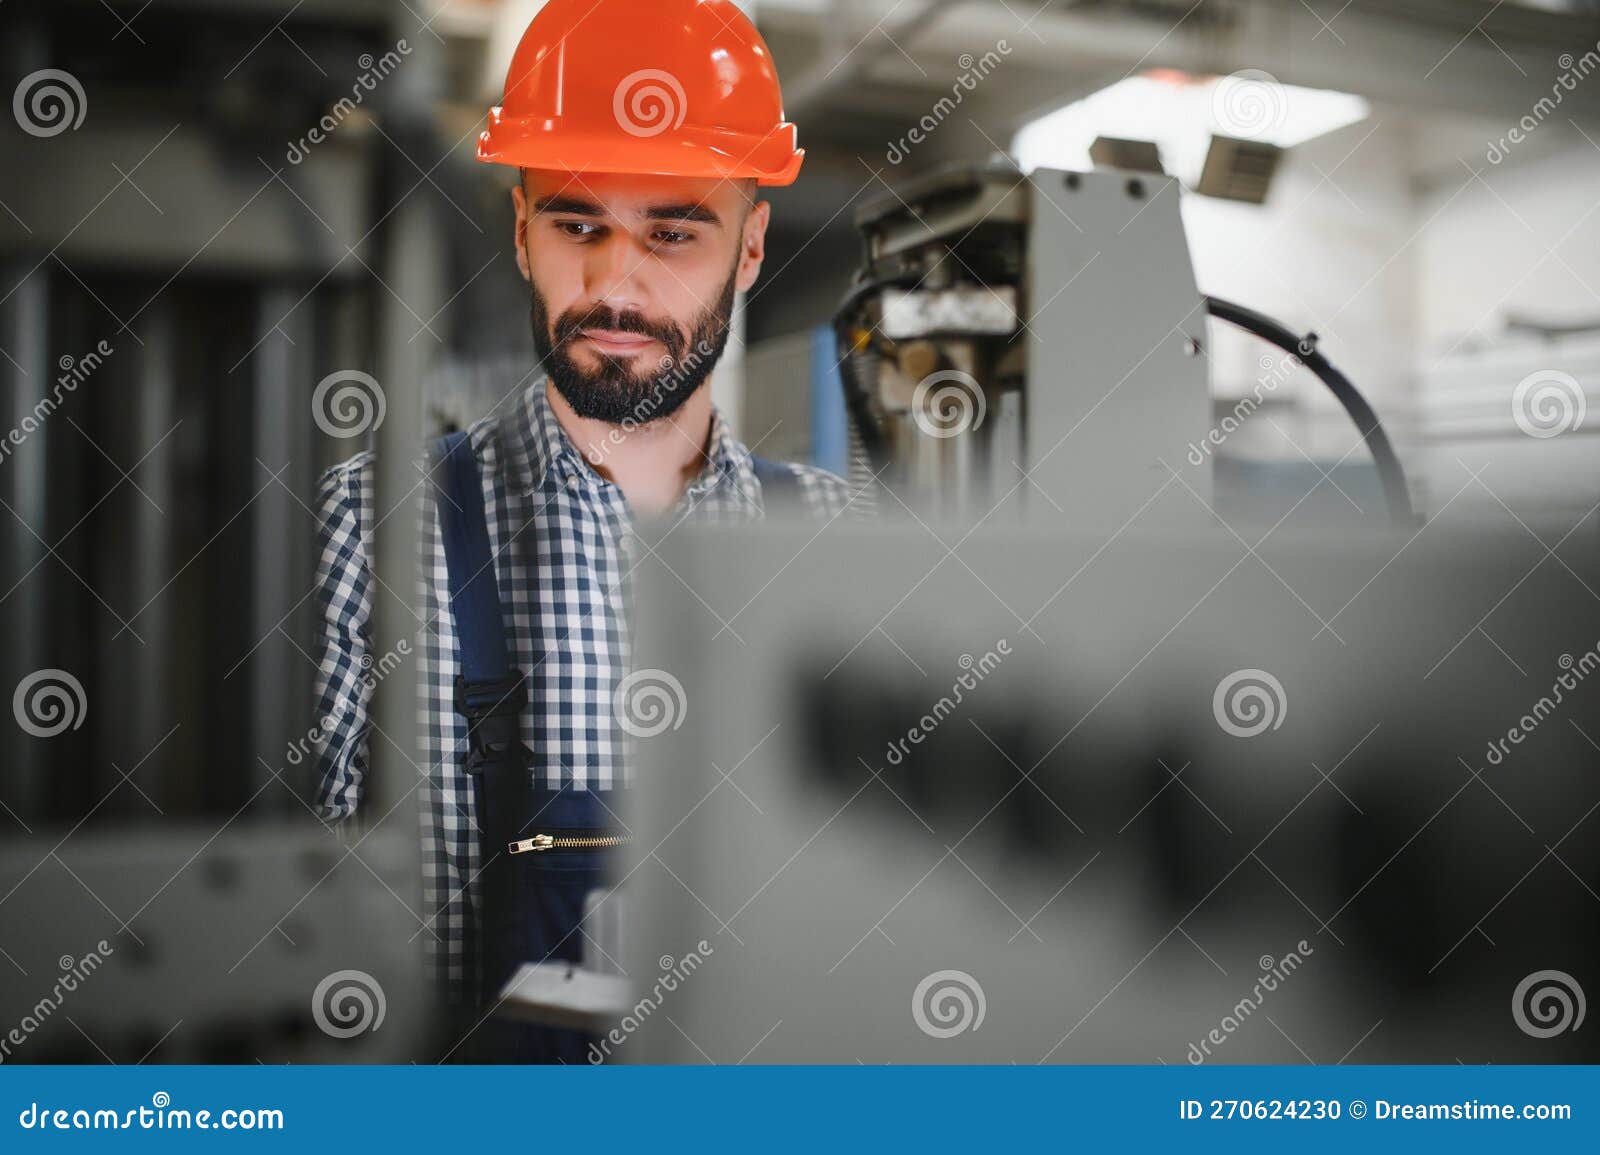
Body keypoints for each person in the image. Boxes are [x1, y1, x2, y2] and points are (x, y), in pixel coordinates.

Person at [310, 0, 861, 1060]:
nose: (616, 284)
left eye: (671, 231)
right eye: (578, 224)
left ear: (749, 249)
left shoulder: (842, 550)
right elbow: (279, 944)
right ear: (520, 231)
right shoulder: (368, 533)